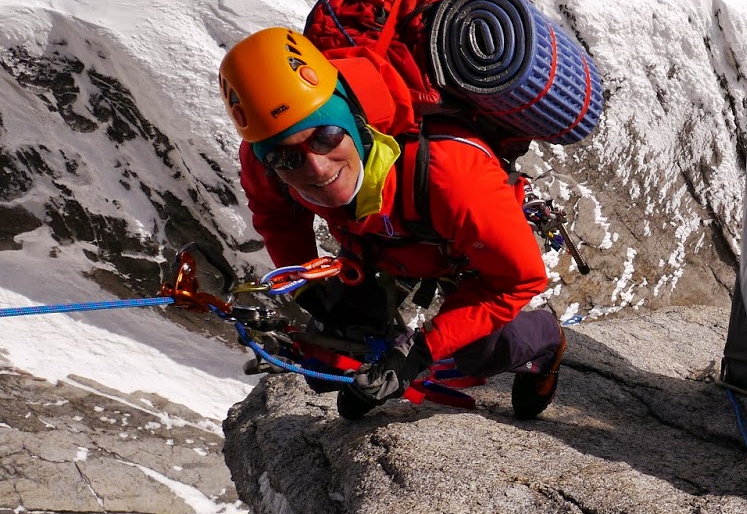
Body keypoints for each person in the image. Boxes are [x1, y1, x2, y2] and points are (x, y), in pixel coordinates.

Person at [218, 26, 566, 420]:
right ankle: (379, 365)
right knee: (329, 357)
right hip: (376, 244)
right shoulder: (263, 160)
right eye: (286, 158)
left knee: (481, 352)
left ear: (354, 123)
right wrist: (309, 290)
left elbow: (518, 279)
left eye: (326, 137)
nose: (317, 167)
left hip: (459, 250)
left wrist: (420, 353)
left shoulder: (453, 177)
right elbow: (276, 217)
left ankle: (545, 339)